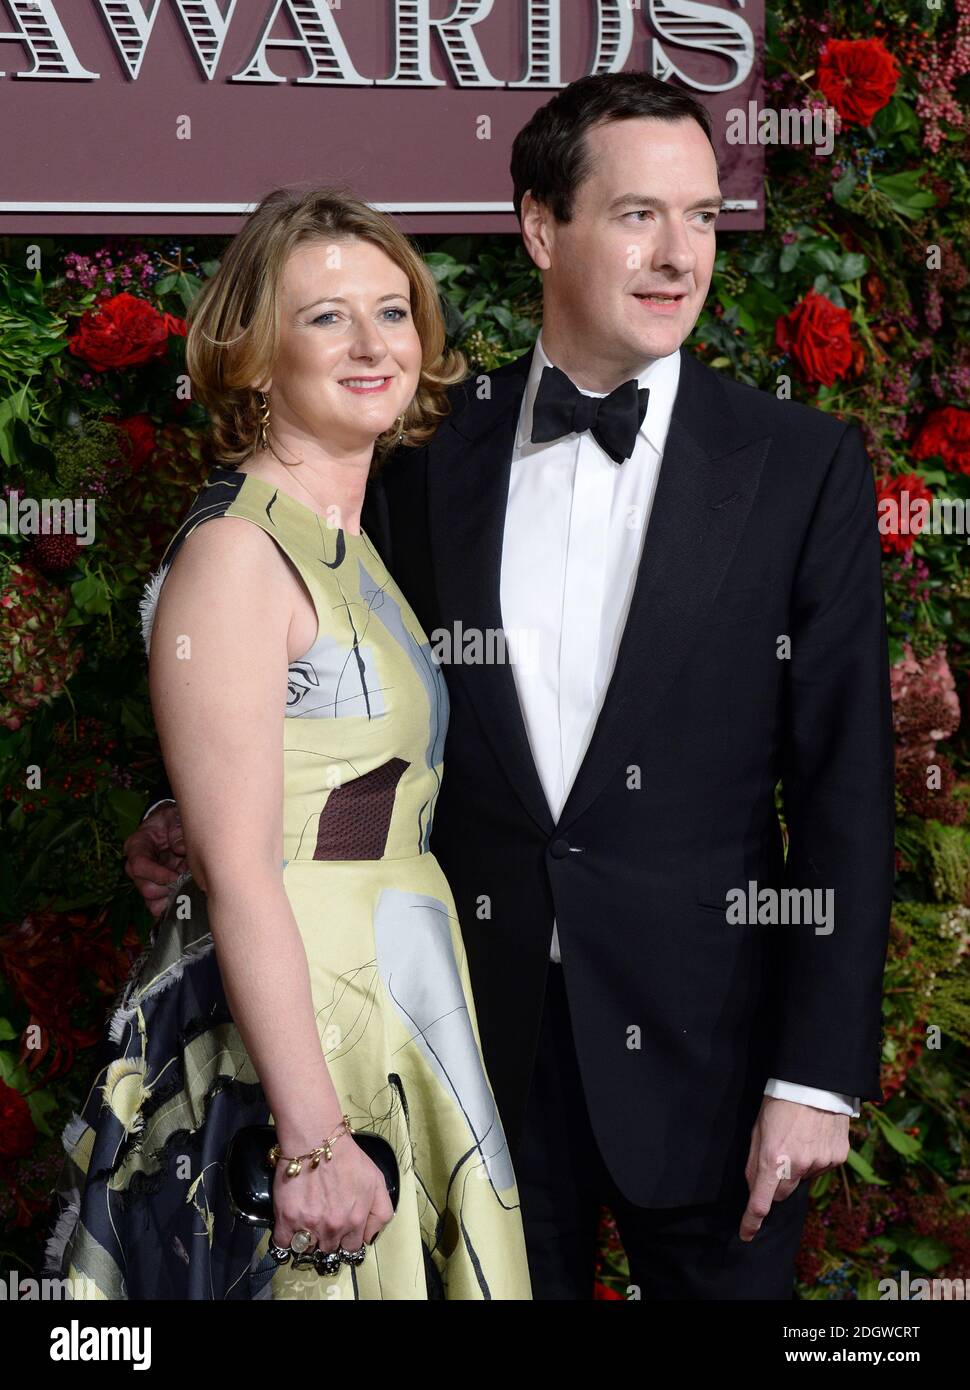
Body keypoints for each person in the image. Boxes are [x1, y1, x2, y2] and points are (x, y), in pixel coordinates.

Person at [124, 73, 895, 1300]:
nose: (678, 254)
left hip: (712, 1067)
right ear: (542, 228)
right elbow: (324, 693)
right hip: (456, 1057)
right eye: (640, 214)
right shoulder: (414, 453)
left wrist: (814, 1078)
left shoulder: (799, 467)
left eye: (702, 217)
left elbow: (847, 790)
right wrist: (207, 824)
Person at [43, 186, 532, 1301]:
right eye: (326, 318)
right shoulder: (236, 553)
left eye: (392, 310)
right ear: (254, 356)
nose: (373, 344)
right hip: (299, 1019)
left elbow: (294, 783)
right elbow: (241, 871)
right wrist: (311, 1135)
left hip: (388, 986)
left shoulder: (342, 538)